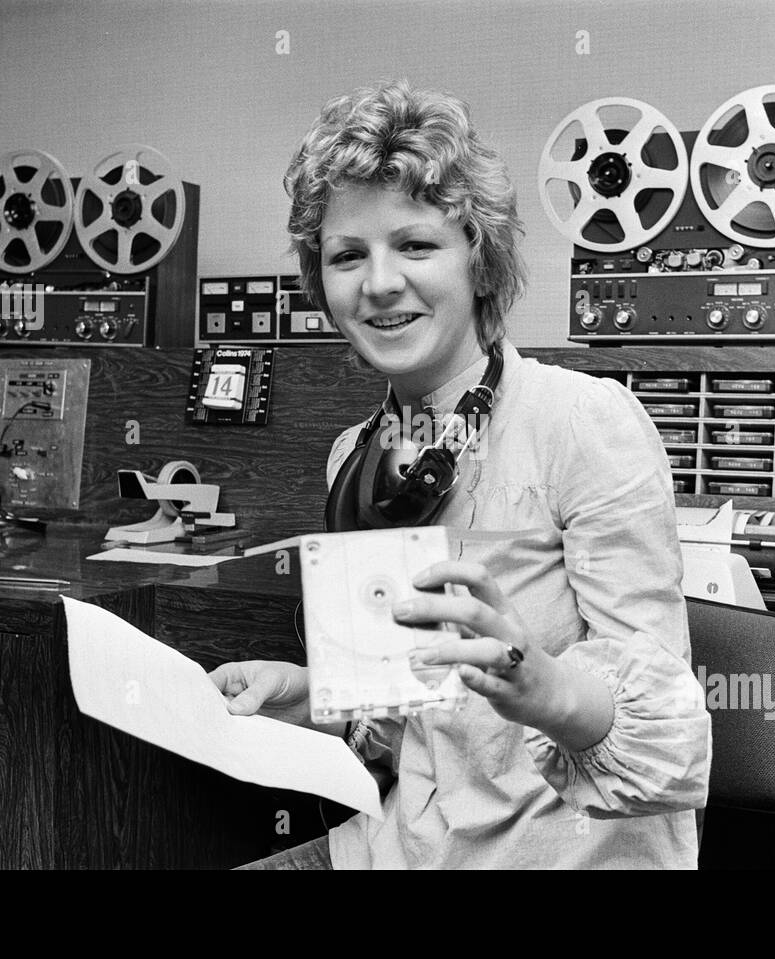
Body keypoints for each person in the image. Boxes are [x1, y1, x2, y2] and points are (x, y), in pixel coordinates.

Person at [210, 79, 711, 869]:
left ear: (480, 263)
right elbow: (397, 712)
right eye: (348, 255)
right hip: (397, 847)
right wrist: (303, 692)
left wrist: (547, 690)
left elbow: (674, 744)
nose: (379, 282)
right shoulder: (357, 457)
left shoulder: (584, 421)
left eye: (415, 245)